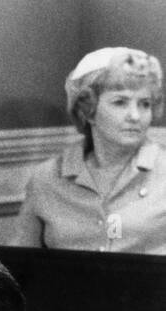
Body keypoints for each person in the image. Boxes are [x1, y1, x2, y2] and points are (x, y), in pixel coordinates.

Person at [15, 47, 166, 252]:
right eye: (120, 102)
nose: (135, 116)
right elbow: (21, 267)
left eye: (145, 104)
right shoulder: (47, 178)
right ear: (88, 110)